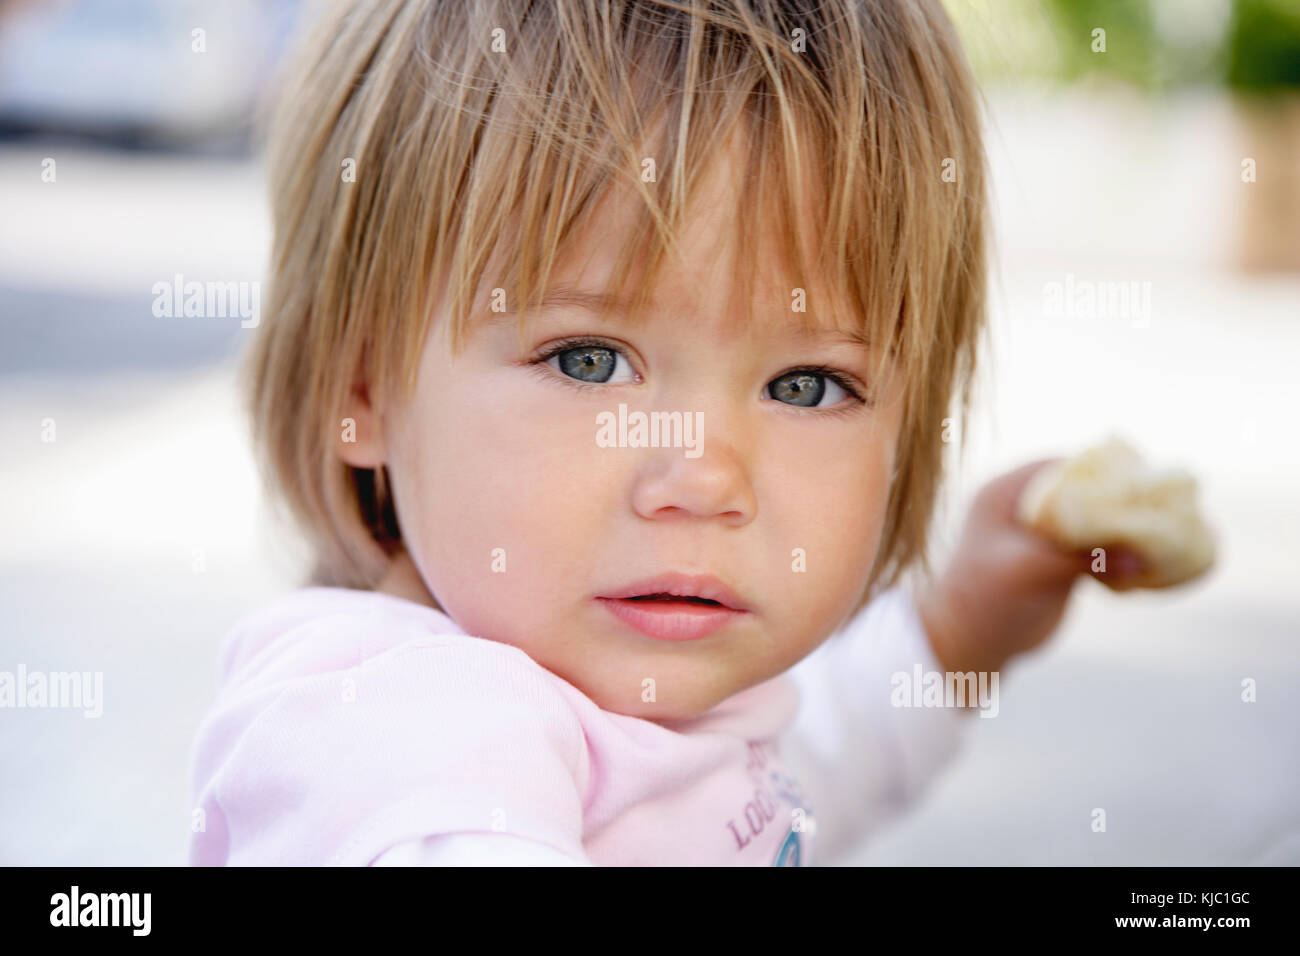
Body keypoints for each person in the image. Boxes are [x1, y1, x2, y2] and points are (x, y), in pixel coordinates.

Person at [187, 0, 1144, 866]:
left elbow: (782, 800)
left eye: (807, 385)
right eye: (588, 361)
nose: (705, 477)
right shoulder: (408, 742)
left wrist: (960, 629)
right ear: (362, 388)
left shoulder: (656, 722)